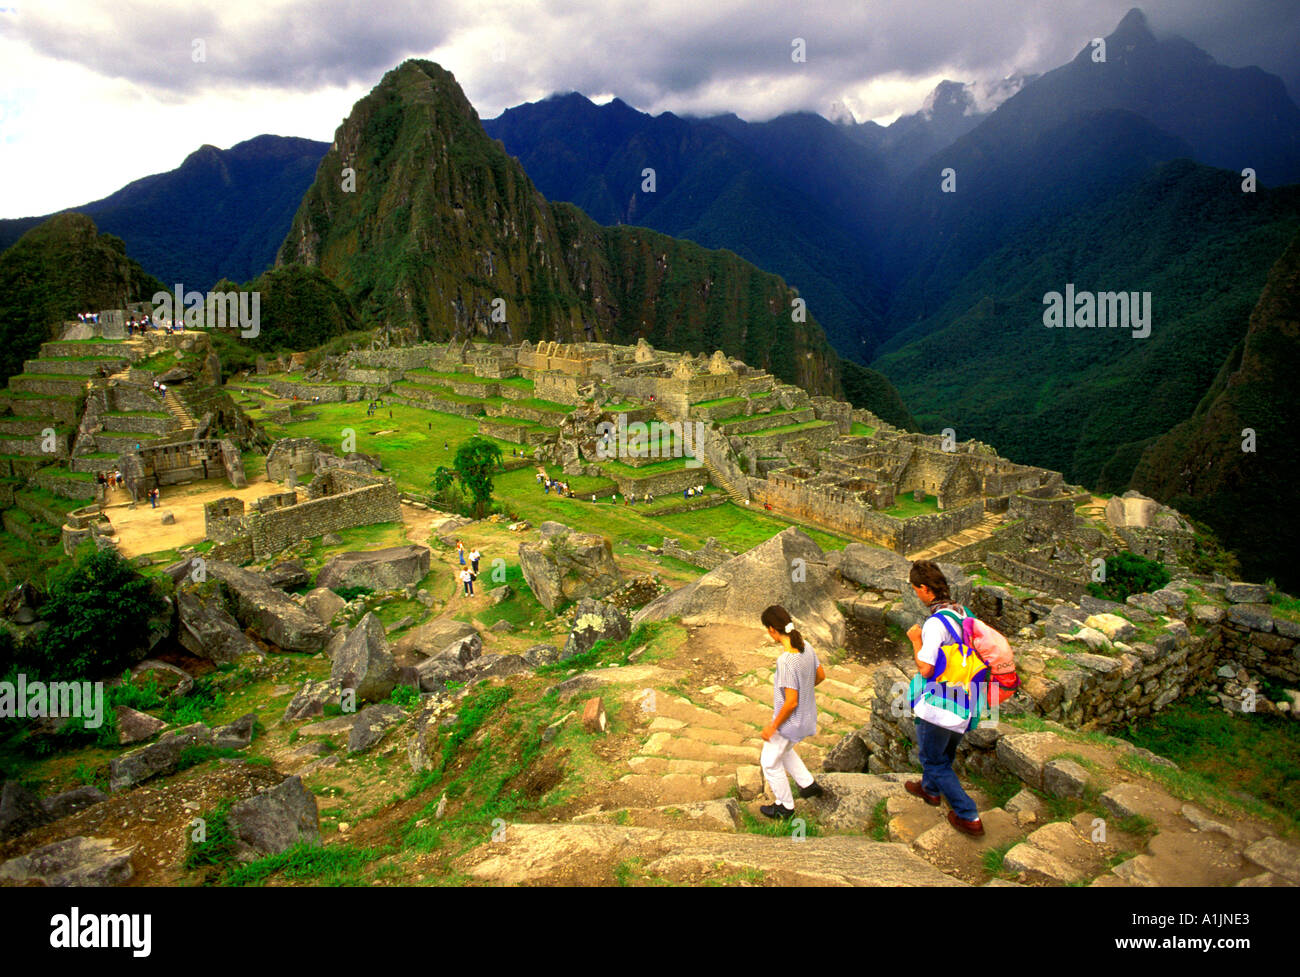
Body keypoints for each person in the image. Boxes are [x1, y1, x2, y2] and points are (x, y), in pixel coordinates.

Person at [905, 560, 987, 837]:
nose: (915, 593)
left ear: (925, 589)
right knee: (946, 752)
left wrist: (916, 639)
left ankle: (968, 814)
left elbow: (926, 668)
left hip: (942, 700)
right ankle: (930, 790)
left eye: (915, 588)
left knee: (933, 759)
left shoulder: (935, 624)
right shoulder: (964, 612)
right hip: (967, 696)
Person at [758, 604, 825, 819]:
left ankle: (785, 806)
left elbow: (790, 702)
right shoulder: (807, 647)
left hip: (789, 723)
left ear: (771, 629)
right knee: (785, 751)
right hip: (806, 718)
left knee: (769, 763)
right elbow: (821, 676)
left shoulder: (786, 660)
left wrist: (773, 726)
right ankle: (807, 784)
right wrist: (805, 689)